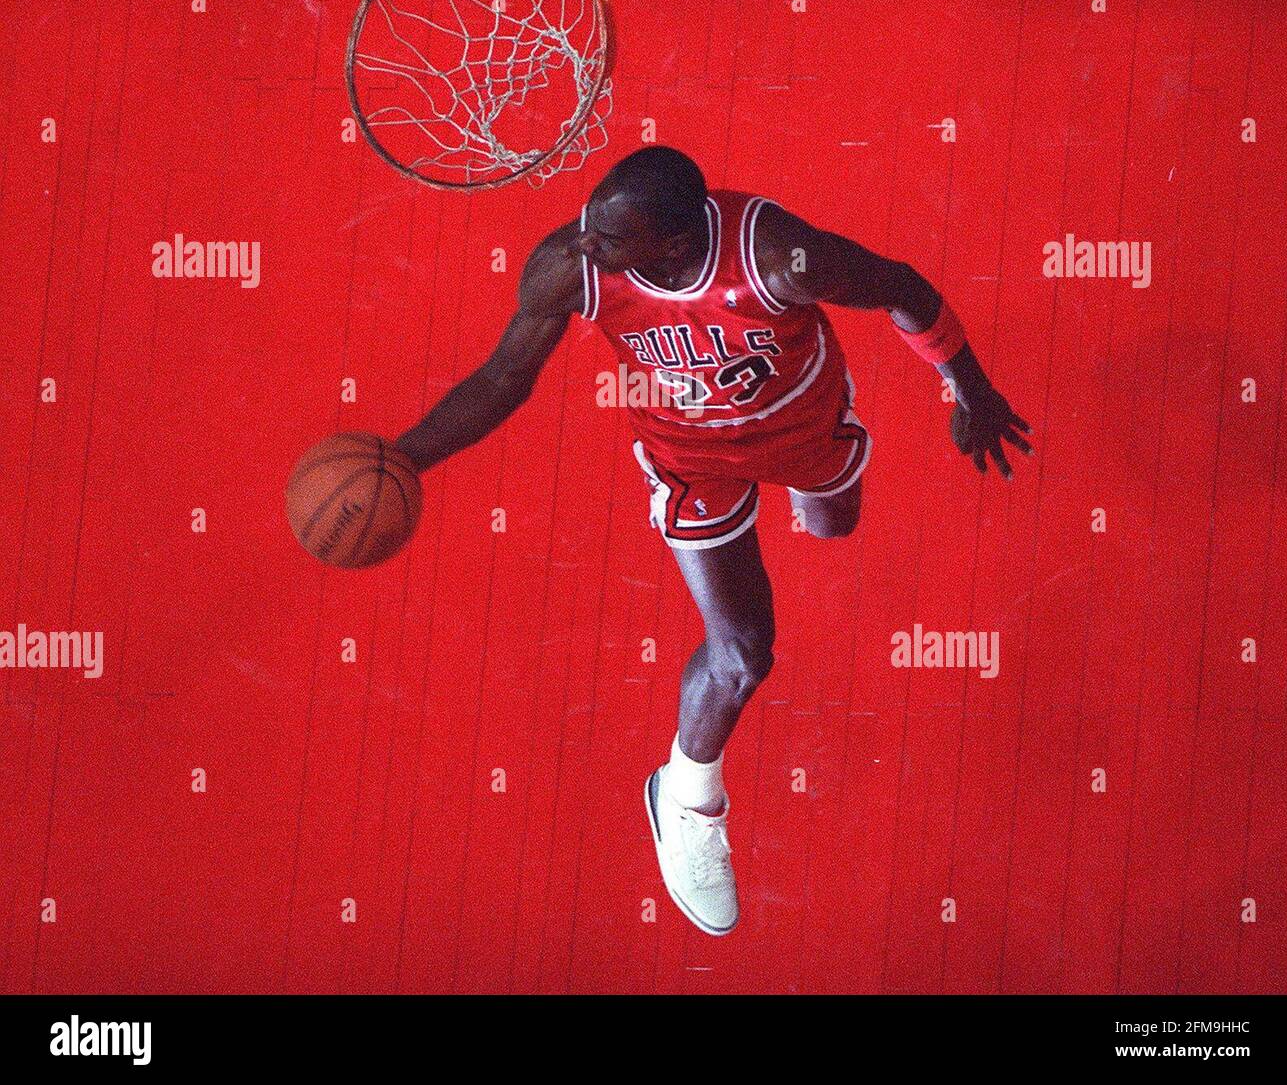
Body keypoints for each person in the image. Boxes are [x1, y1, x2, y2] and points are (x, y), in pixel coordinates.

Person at [395, 146, 1032, 935]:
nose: (584, 240)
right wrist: (406, 457)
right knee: (744, 652)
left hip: (802, 423)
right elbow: (502, 379)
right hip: (689, 455)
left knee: (833, 524)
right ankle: (689, 799)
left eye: (608, 237)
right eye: (590, 222)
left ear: (672, 247)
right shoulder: (573, 267)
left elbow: (901, 286)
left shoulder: (776, 258)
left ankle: (810, 475)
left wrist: (970, 388)